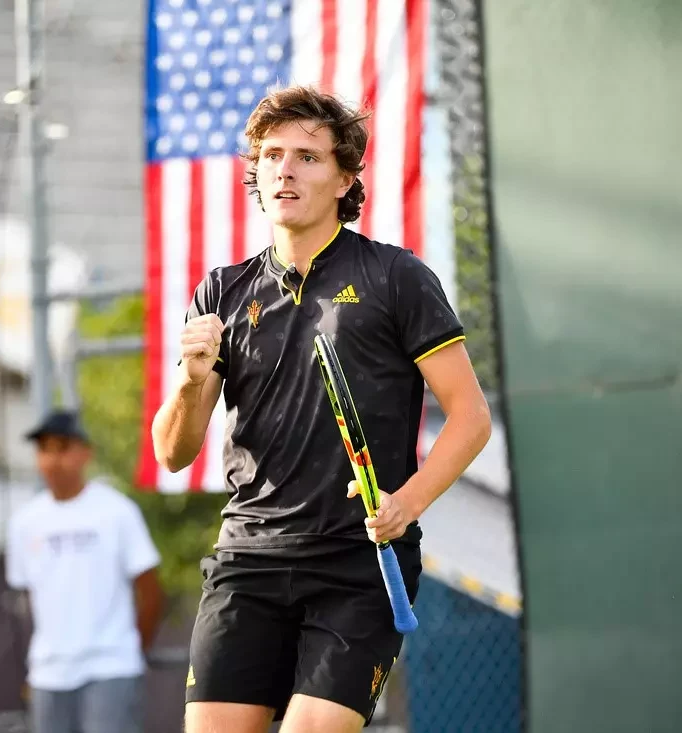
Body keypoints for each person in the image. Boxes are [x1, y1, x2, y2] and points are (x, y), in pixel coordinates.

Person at [151, 85, 493, 733]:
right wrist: (191, 382)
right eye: (272, 155)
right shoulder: (221, 292)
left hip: (357, 565)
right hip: (247, 562)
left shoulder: (397, 277)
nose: (285, 169)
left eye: (307, 156)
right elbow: (173, 451)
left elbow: (471, 417)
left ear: (344, 179)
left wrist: (406, 504)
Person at [6, 409, 164, 733]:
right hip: (48, 674)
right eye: (44, 449)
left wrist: (132, 650)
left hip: (110, 667)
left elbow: (151, 592)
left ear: (85, 452)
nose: (52, 459)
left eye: (62, 447)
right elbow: (28, 598)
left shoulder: (117, 511)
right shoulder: (24, 522)